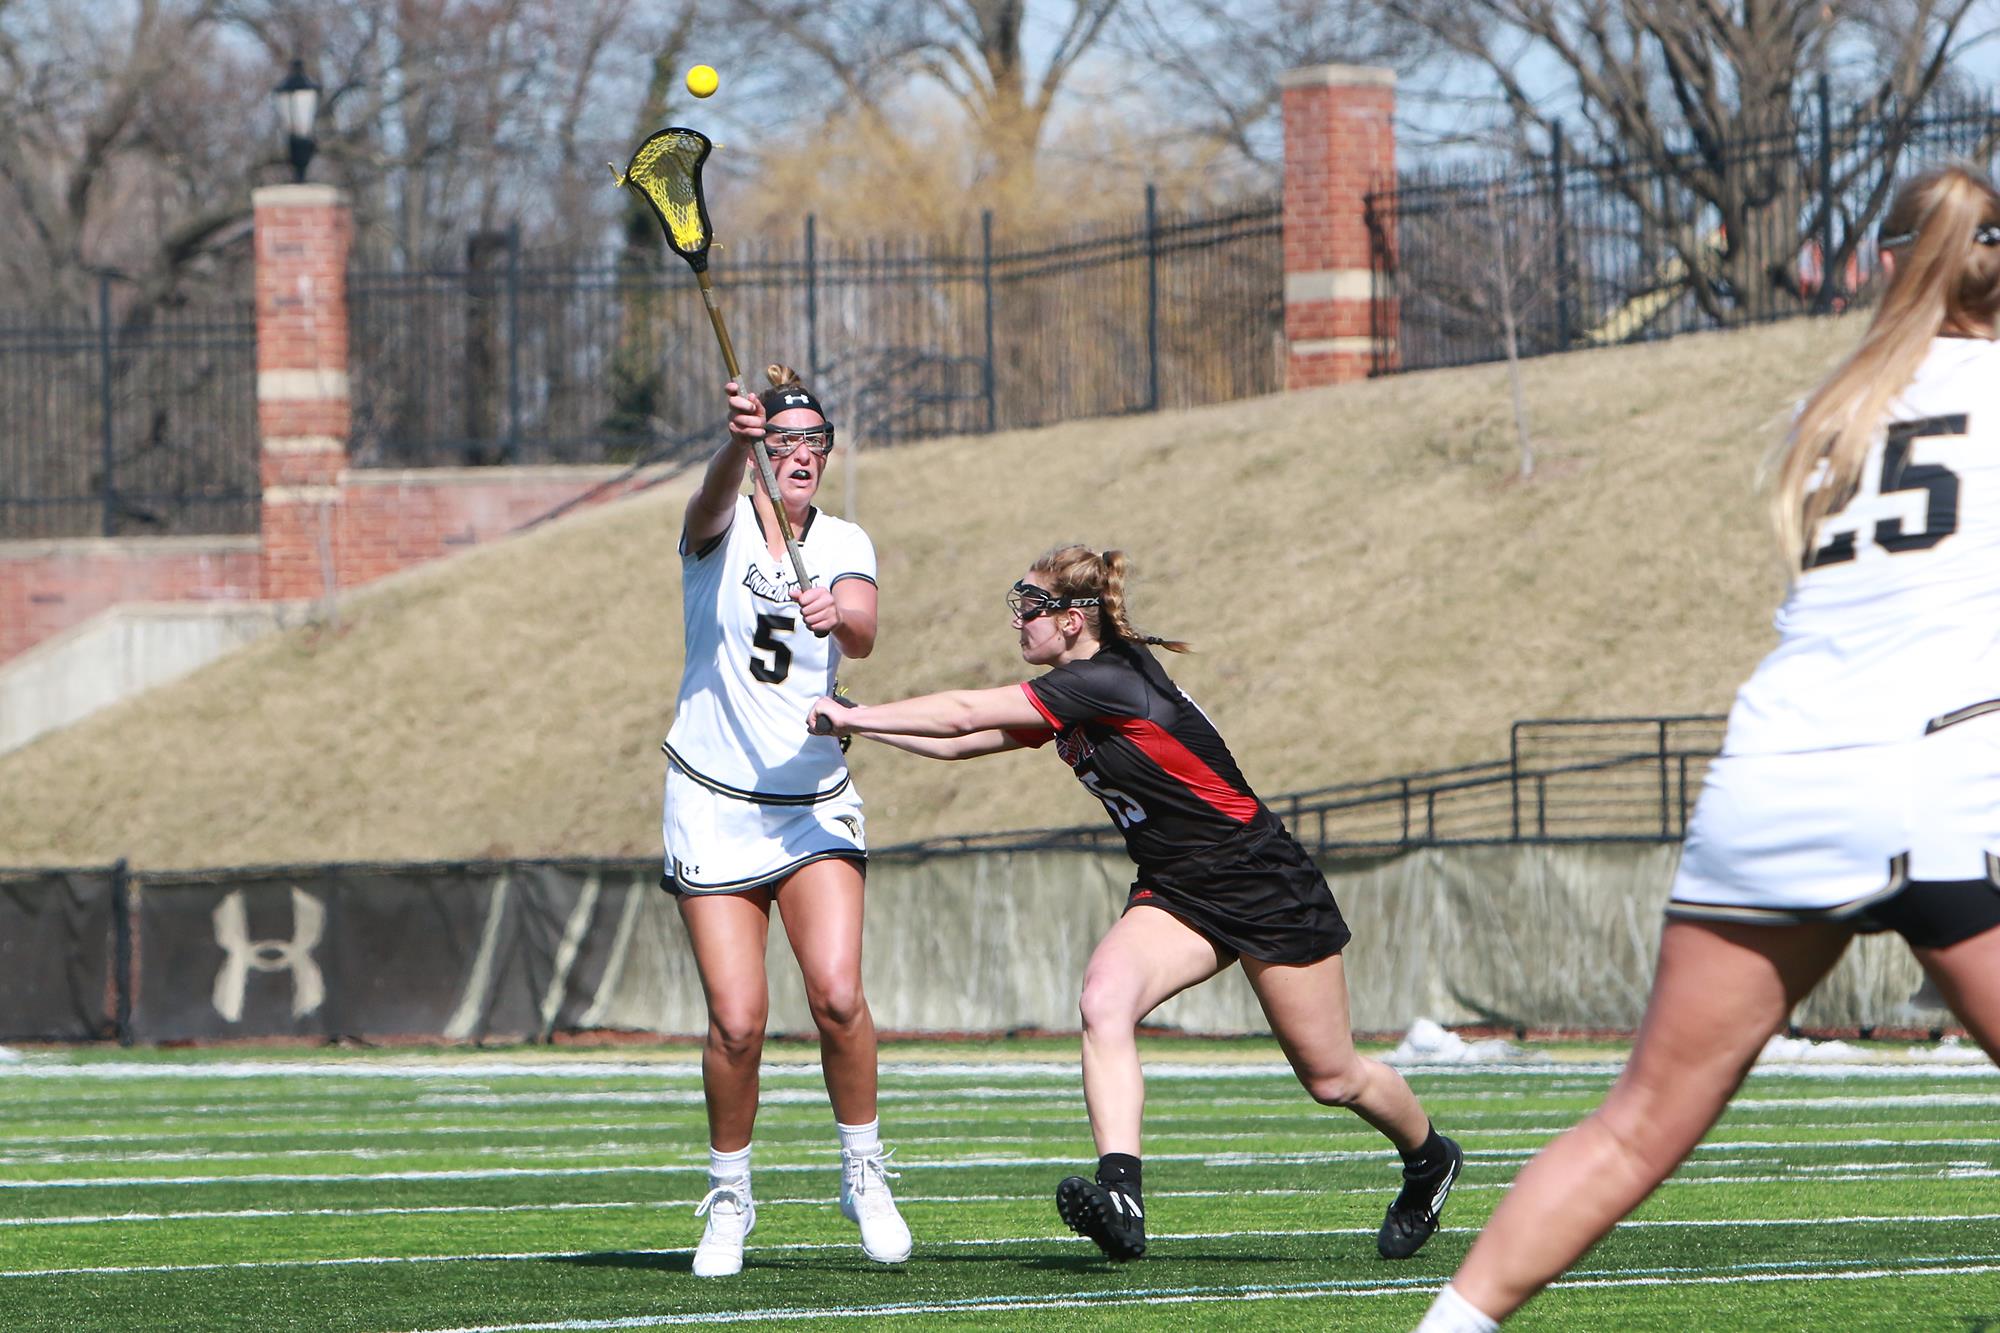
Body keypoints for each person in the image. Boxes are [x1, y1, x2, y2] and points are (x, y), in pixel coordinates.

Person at [1414, 165, 2000, 1332]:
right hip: (1931, 772)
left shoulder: (1826, 408)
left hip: (1772, 770)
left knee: (1634, 1126)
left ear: (1881, 265)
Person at [807, 544, 1461, 1263]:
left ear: (1073, 620)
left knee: (1333, 1078)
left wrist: (850, 714)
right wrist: (859, 722)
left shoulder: (1107, 681)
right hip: (1177, 885)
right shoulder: (1079, 689)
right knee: (1104, 999)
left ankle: (1430, 1159)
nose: (1019, 620)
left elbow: (963, 712)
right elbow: (966, 742)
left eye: (1031, 607)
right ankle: (1121, 1197)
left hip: (1259, 880)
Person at [662, 363, 910, 1278]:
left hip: (811, 804)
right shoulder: (720, 527)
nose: (801, 455)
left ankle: (863, 1171)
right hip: (714, 801)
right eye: (784, 442)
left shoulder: (844, 539)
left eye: (815, 442)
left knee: (837, 995)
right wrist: (734, 446)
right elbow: (708, 501)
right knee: (738, 1022)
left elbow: (864, 632)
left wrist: (836, 610)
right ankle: (730, 1195)